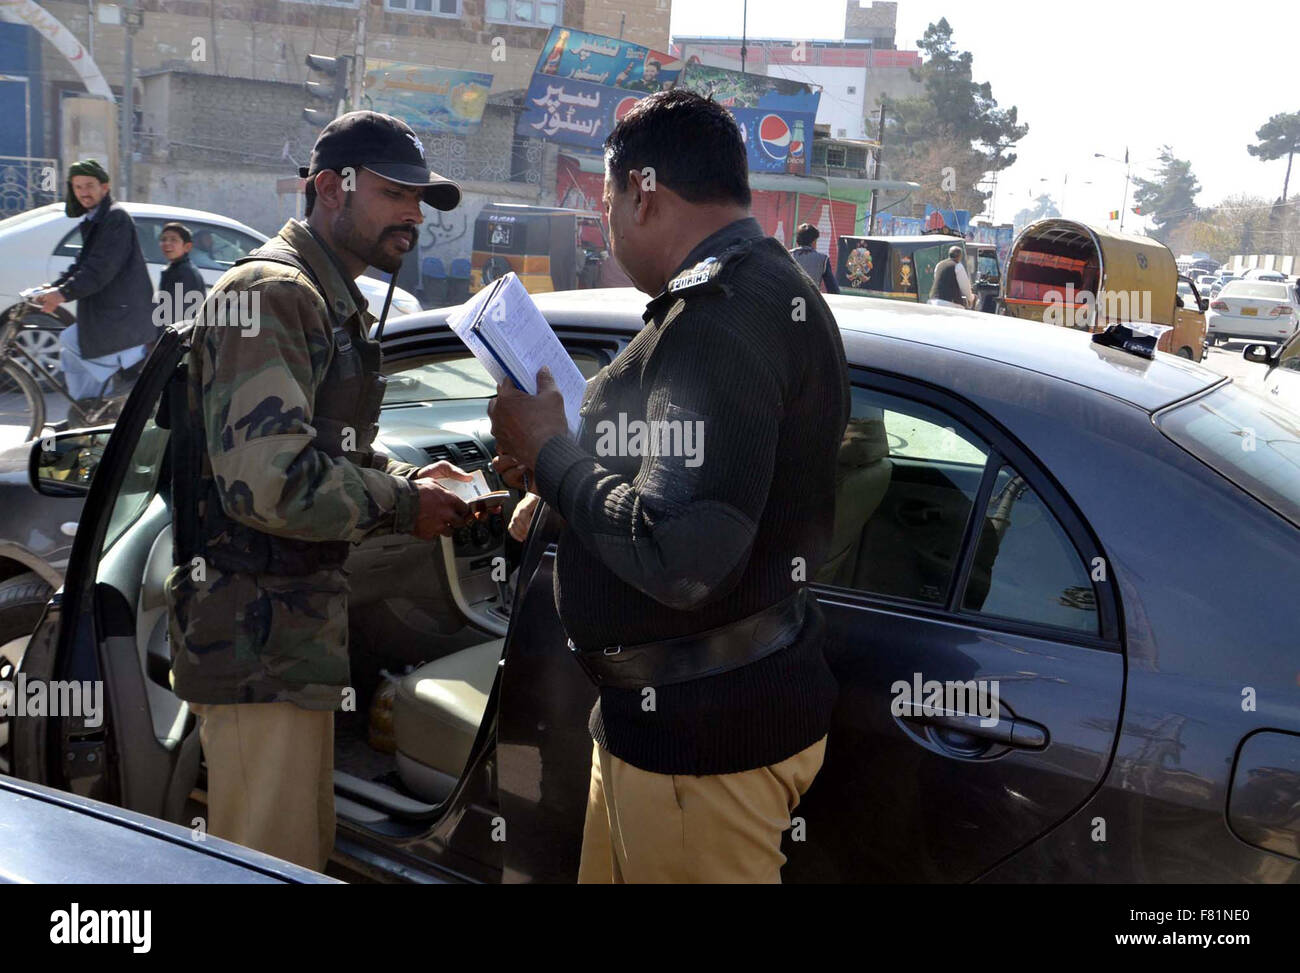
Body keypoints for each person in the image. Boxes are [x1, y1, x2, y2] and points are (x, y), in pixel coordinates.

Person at [488, 89, 850, 883]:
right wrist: (562, 480)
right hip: (678, 732)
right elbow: (694, 477)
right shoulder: (762, 287)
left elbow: (680, 551)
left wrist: (552, 455)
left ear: (643, 191)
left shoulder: (714, 316)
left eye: (610, 198)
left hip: (699, 749)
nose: (606, 222)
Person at [164, 111, 478, 872]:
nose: (412, 214)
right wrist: (404, 505)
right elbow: (272, 485)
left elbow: (332, 450)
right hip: (255, 646)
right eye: (396, 193)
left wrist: (409, 480)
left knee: (296, 856)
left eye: (421, 200)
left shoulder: (325, 298)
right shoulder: (275, 293)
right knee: (270, 861)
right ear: (331, 187)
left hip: (290, 644)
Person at [28, 160, 156, 413]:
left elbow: (100, 268)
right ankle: (88, 408)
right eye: (77, 187)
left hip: (121, 314)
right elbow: (82, 263)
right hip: (111, 312)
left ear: (104, 187)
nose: (83, 193)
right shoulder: (96, 219)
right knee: (72, 345)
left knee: (75, 344)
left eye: (89, 186)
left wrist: (63, 294)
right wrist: (52, 288)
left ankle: (100, 404)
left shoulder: (115, 218)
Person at [154, 221, 207, 325]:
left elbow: (174, 314)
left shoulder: (185, 273)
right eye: (163, 239)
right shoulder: (174, 268)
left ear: (187, 247)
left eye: (173, 240)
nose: (167, 243)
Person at [789, 223, 840, 294]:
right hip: (812, 300)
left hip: (790, 300)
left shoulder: (789, 255)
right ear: (814, 241)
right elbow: (833, 289)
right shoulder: (823, 259)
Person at [928, 244, 975, 309]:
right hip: (948, 303)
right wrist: (971, 298)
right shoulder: (957, 266)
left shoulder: (939, 265)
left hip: (932, 301)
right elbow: (965, 287)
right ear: (960, 256)